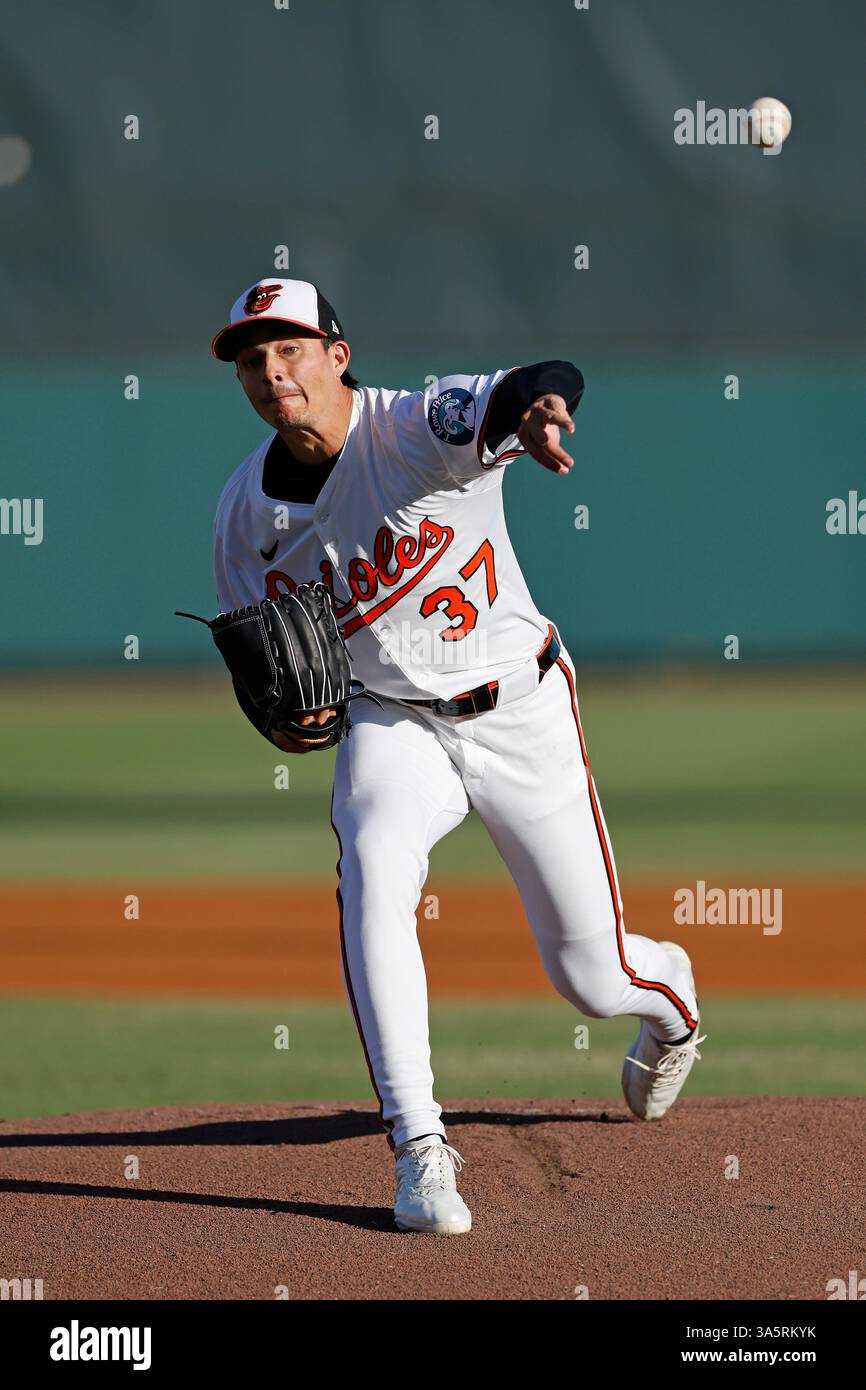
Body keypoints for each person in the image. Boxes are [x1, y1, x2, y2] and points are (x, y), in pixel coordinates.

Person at [211, 277, 705, 1236]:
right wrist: (280, 720)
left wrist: (545, 405)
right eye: (251, 358)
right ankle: (419, 1146)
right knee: (372, 863)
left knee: (592, 978)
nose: (273, 372)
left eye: (290, 349)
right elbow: (260, 657)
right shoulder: (243, 511)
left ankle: (673, 1002)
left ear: (336, 356)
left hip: (521, 709)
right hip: (395, 724)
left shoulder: (411, 428)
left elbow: (529, 383)